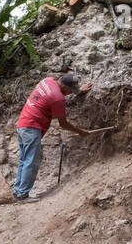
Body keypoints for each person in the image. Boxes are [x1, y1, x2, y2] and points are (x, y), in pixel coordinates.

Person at [13, 71, 90, 200]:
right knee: (31, 161)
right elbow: (63, 124)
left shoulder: (48, 80)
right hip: (32, 127)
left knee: (24, 160)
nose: (71, 93)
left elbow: (54, 94)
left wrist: (80, 91)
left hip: (22, 124)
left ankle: (18, 192)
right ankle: (22, 195)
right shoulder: (58, 98)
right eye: (71, 90)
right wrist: (79, 131)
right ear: (65, 87)